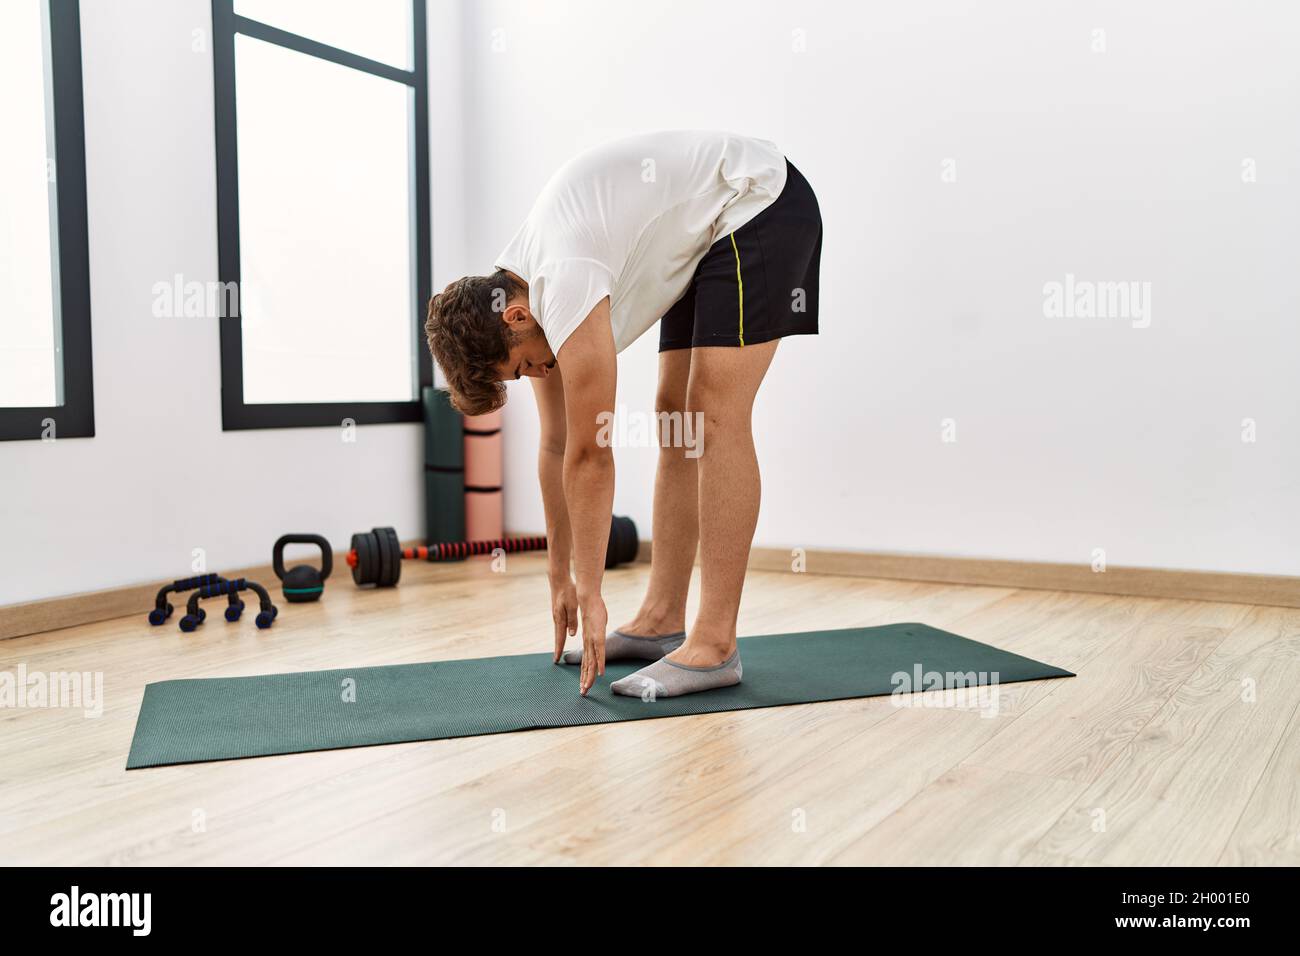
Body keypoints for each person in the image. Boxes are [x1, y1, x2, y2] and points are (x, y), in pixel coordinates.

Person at [425, 130, 821, 698]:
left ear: (514, 319)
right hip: (707, 232)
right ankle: (662, 619)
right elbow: (558, 444)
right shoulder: (520, 294)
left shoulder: (561, 279)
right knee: (673, 415)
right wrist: (558, 574)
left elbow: (592, 452)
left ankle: (715, 645)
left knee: (712, 414)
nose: (535, 374)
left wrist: (591, 590)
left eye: (520, 369)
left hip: (758, 202)